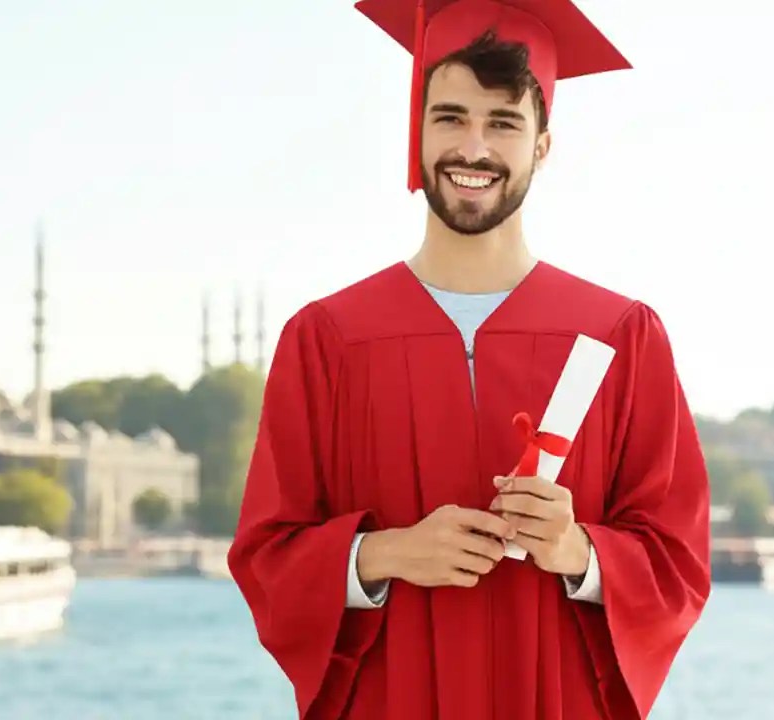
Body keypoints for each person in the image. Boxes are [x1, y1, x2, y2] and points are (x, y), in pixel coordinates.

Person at [226, 0, 712, 718]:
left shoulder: (621, 336)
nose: (474, 148)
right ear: (415, 133)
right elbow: (266, 557)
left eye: (504, 122)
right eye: (450, 116)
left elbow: (679, 563)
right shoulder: (327, 338)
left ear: (542, 146)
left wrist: (577, 550)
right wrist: (383, 555)